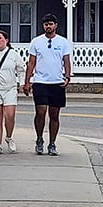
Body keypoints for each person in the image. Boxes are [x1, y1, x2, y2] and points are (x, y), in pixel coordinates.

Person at [23, 13, 72, 156]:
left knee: (54, 114)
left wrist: (67, 76)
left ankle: (52, 143)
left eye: (51, 24)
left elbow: (66, 61)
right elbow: (31, 62)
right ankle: (39, 139)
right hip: (40, 82)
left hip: (56, 82)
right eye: (46, 24)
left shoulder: (63, 42)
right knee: (41, 112)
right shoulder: (36, 42)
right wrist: (27, 82)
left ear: (55, 25)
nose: (48, 26)